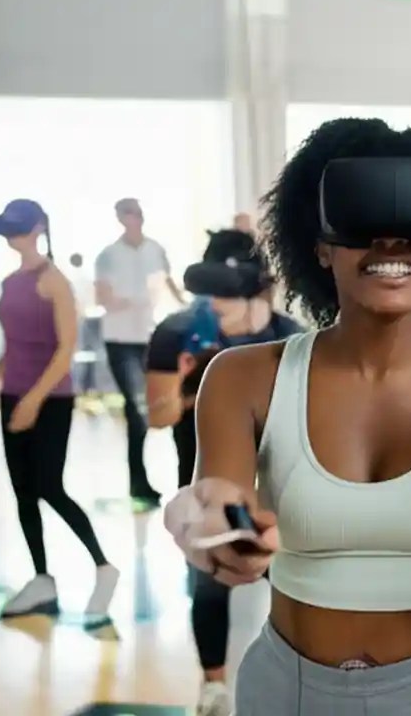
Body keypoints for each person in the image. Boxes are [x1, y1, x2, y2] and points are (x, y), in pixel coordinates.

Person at [164, 117, 411, 715]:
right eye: (361, 218)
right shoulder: (244, 379)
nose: (390, 243)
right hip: (289, 694)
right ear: (318, 242)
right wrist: (209, 522)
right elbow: (223, 513)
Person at [144, 228, 304, 716]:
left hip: (281, 494)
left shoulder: (291, 339)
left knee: (297, 589)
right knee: (209, 585)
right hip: (209, 485)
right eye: (208, 290)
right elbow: (158, 416)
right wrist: (195, 384)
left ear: (257, 288)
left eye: (226, 290)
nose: (216, 302)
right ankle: (213, 687)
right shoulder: (176, 333)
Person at [0, 199, 120, 619]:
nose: (13, 237)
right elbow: (15, 345)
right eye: (8, 230)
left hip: (50, 400)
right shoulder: (9, 282)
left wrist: (33, 401)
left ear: (39, 228)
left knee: (48, 486)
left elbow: (65, 350)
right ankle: (42, 579)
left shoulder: (55, 281)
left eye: (19, 229)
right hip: (13, 394)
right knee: (23, 491)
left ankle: (103, 565)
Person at [94, 197, 186, 507]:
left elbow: (169, 283)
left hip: (151, 336)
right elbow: (103, 296)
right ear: (120, 217)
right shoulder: (108, 256)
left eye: (137, 211)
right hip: (121, 339)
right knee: (136, 409)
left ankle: (181, 479)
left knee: (168, 403)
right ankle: (138, 481)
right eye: (128, 212)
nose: (134, 217)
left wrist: (186, 307)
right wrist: (130, 301)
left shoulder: (155, 250)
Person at [66, 252, 104, 408]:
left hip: (80, 318)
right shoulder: (87, 277)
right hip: (92, 316)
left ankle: (81, 387)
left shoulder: (70, 279)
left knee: (80, 354)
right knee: (92, 354)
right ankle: (90, 386)